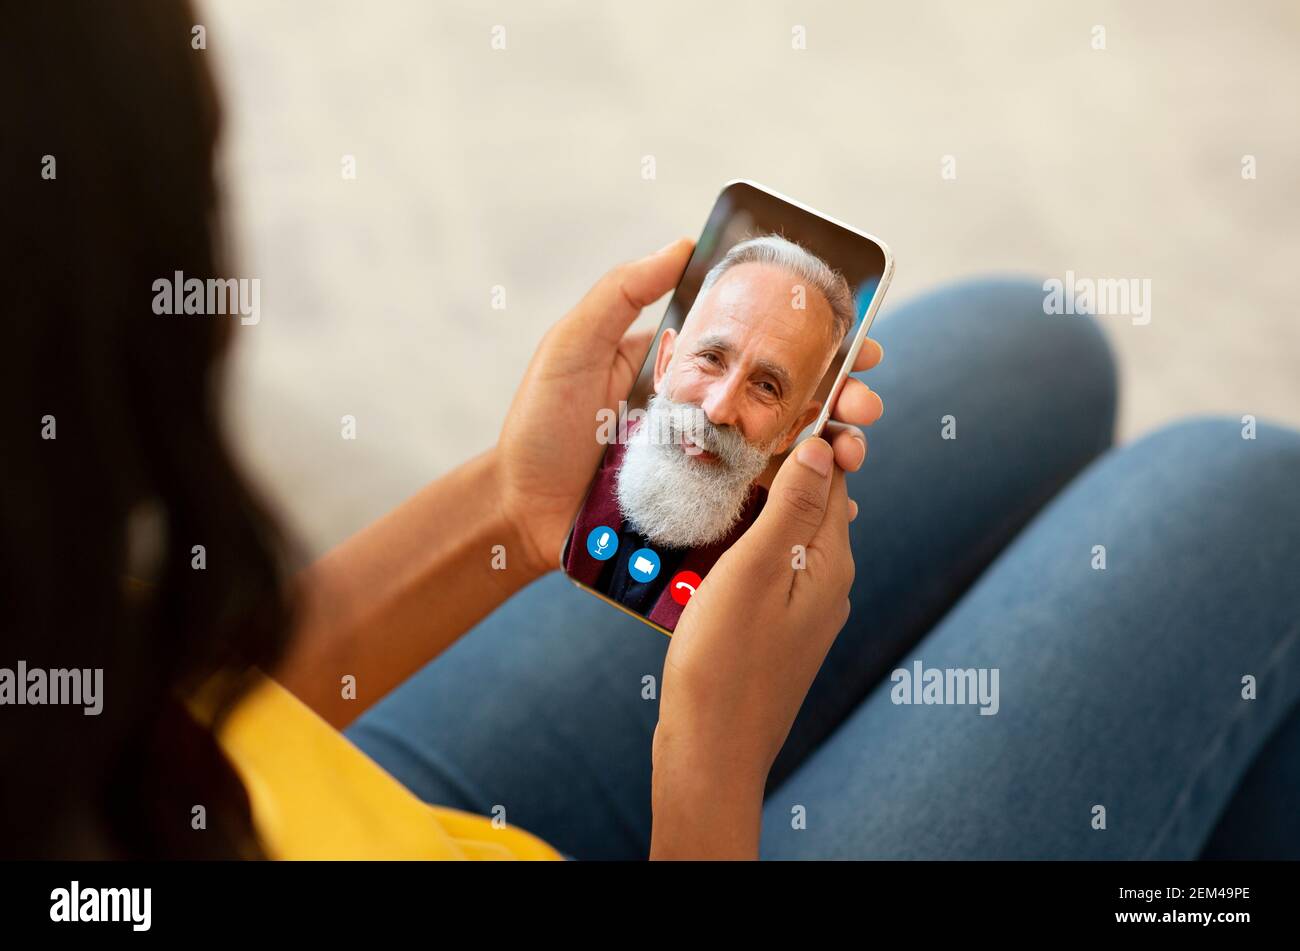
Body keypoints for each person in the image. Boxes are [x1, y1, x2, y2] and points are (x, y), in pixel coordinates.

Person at [5, 2, 1300, 862]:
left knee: (1034, 341)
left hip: (323, 793)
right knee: (1243, 485)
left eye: (766, 381)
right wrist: (707, 762)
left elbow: (177, 742)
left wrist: (512, 515)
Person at [564, 234, 859, 629]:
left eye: (766, 386)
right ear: (665, 362)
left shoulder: (775, 569)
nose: (718, 409)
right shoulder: (575, 454)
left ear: (792, 429)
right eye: (711, 358)